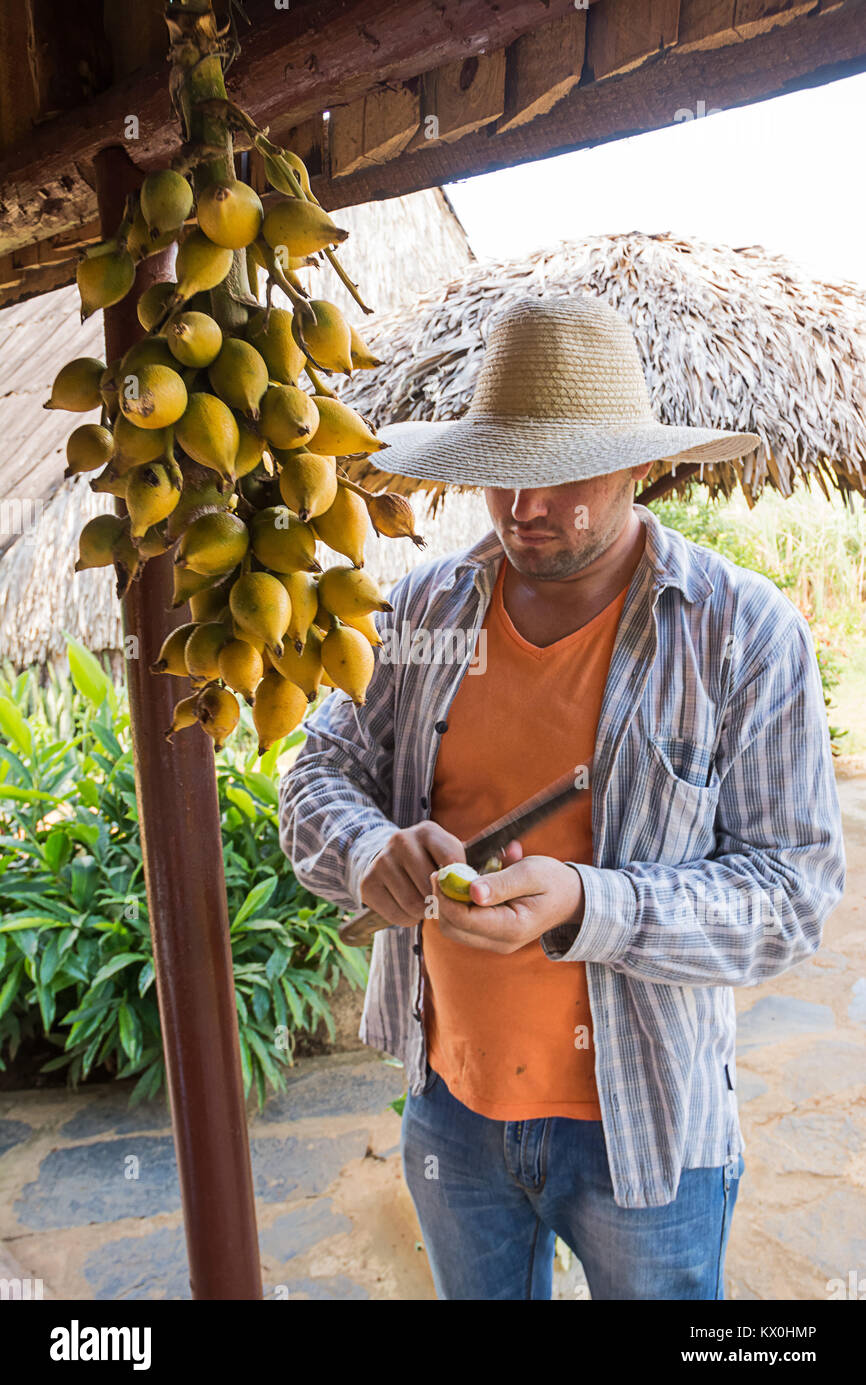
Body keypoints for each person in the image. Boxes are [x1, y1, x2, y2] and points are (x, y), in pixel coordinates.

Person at [279, 293, 846, 1300]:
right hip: (450, 1103)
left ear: (640, 465)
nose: (524, 506)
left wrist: (589, 903)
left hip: (646, 1129)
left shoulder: (736, 634)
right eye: (501, 470)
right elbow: (315, 771)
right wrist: (372, 850)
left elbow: (791, 892)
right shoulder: (423, 612)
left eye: (559, 472)